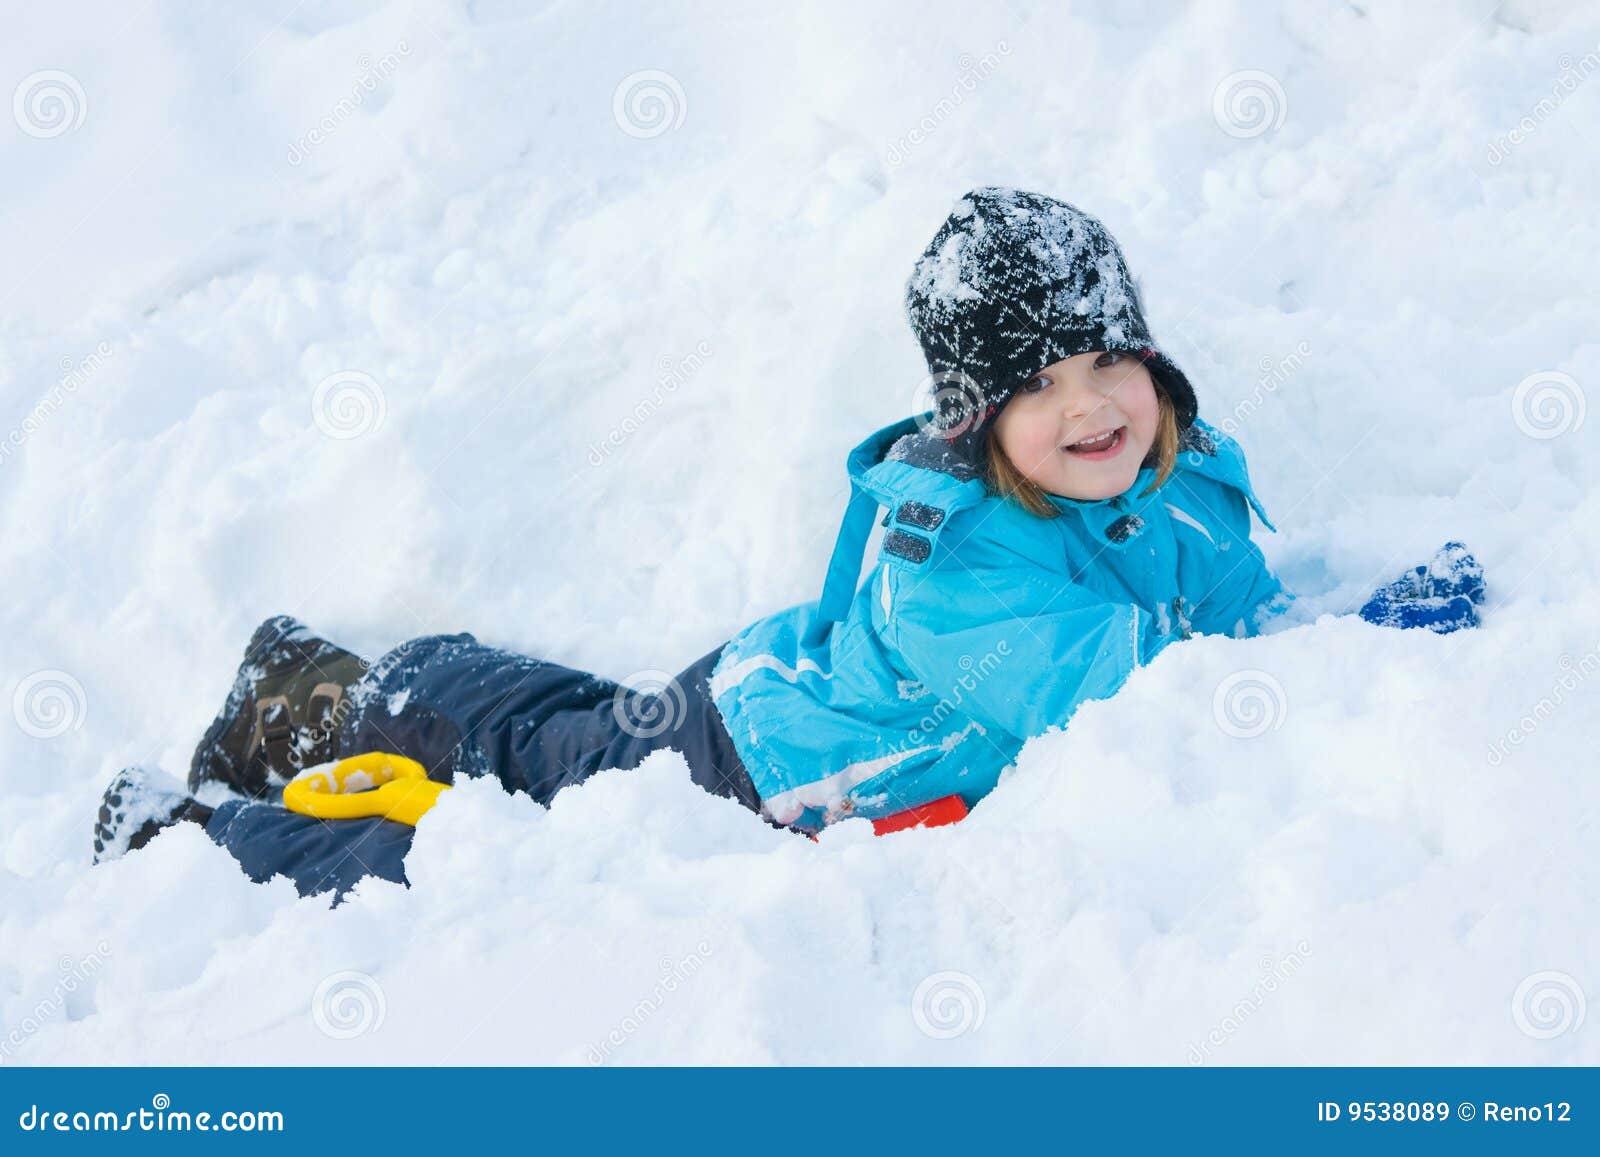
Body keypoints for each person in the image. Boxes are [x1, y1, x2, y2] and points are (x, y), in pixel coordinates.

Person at [91, 186, 1486, 898]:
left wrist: (1350, 619)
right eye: (1038, 382)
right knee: (451, 838)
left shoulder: (1184, 476)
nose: (1089, 405)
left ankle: (323, 685)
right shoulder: (965, 577)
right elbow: (1147, 688)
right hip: (744, 768)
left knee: (525, 734)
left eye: (1107, 359)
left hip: (785, 689)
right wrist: (1362, 650)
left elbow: (1224, 611)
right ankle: (197, 839)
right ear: (976, 417)